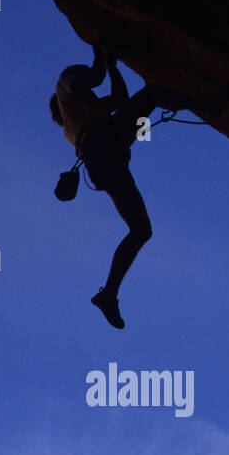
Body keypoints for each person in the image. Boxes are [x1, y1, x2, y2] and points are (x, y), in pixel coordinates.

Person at [50, 44, 166, 329]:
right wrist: (102, 56)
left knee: (141, 230)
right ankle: (213, 100)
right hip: (108, 144)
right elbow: (97, 79)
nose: (92, 94)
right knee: (154, 93)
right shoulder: (65, 86)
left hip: (106, 160)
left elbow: (118, 99)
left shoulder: (79, 119)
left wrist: (111, 64)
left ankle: (110, 293)